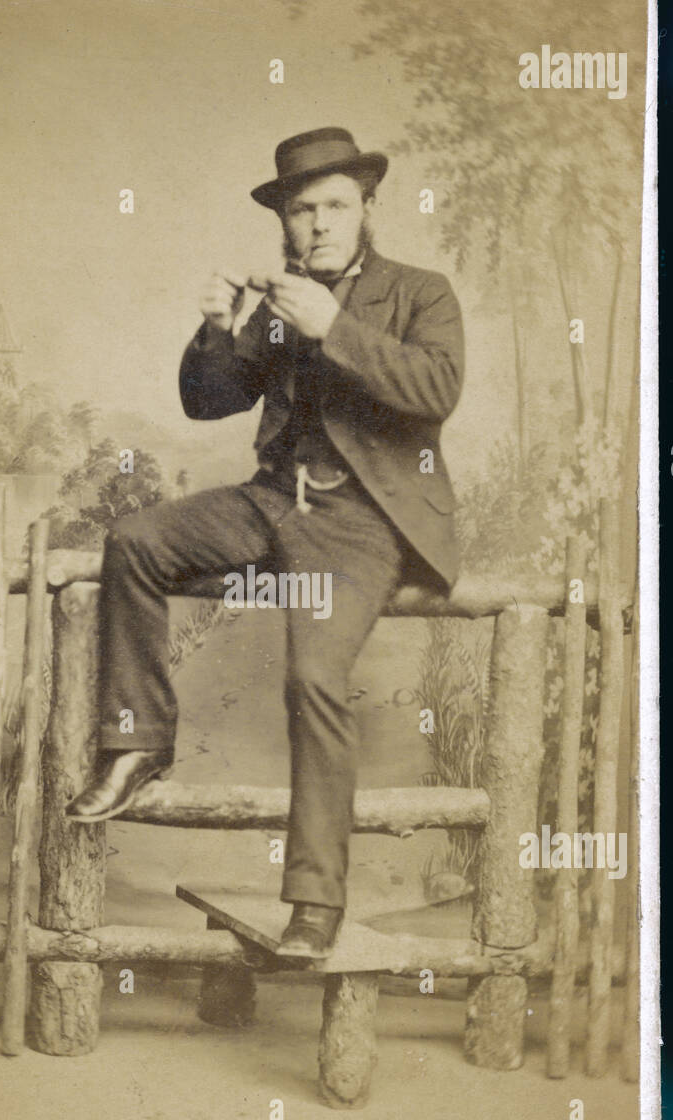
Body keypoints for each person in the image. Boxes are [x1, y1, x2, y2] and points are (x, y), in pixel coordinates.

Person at [66, 127, 465, 959]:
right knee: (134, 540)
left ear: (366, 209)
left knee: (313, 676)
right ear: (283, 223)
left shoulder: (420, 293)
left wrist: (335, 329)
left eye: (334, 206)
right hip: (268, 503)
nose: (318, 224)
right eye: (302, 210)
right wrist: (218, 328)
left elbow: (436, 391)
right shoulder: (280, 303)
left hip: (360, 524)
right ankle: (138, 745)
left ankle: (315, 905)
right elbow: (210, 403)